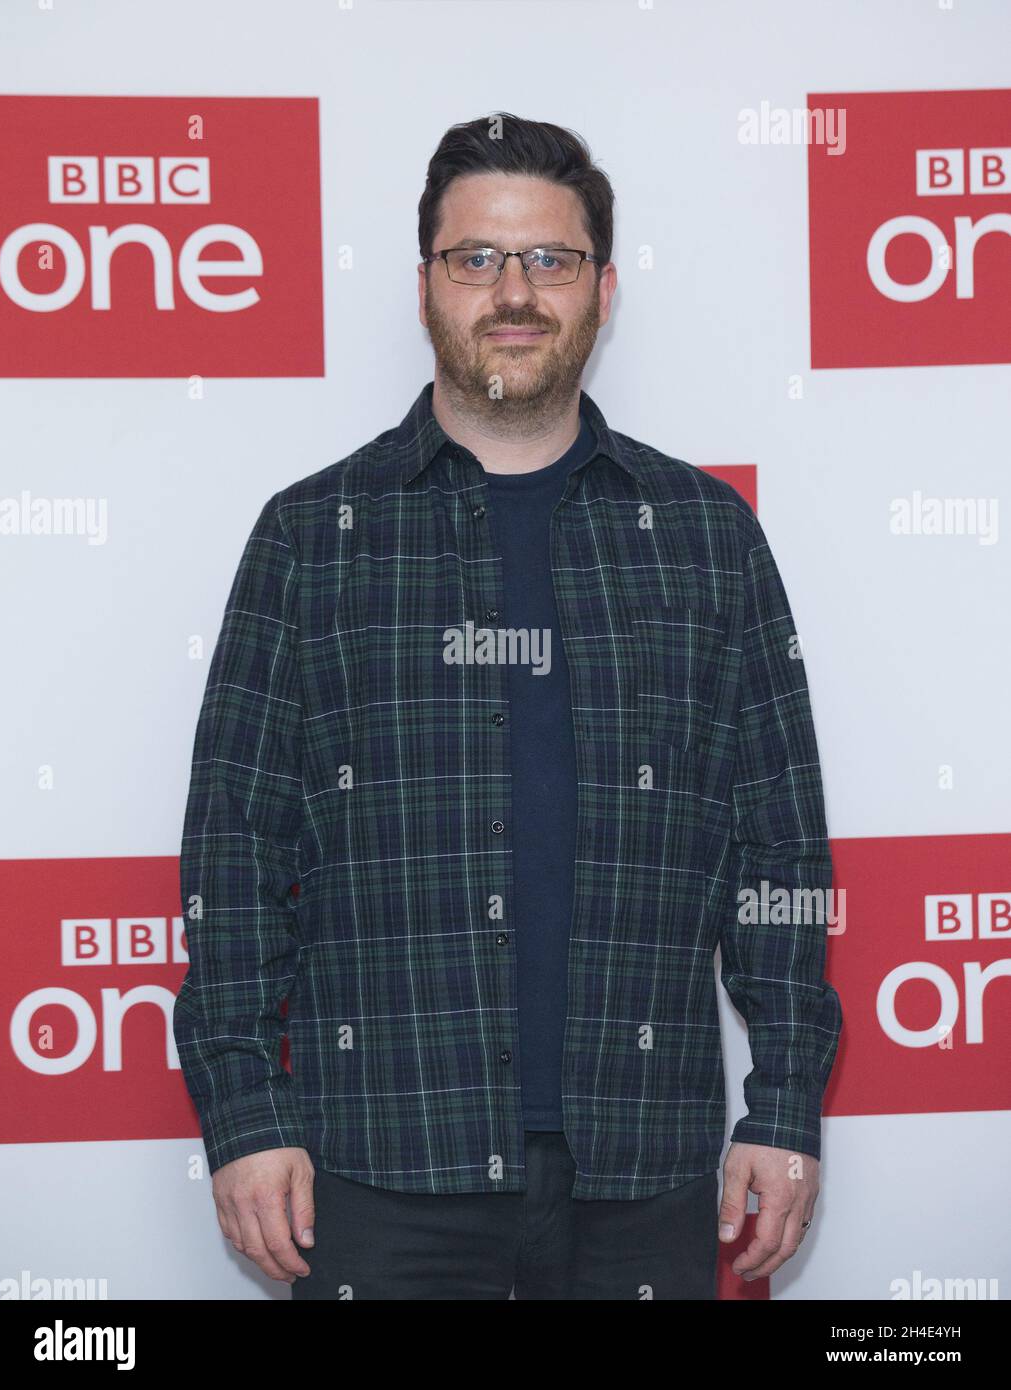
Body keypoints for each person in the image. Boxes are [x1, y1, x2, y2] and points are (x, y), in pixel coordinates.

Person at [173, 111, 842, 1301]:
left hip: (644, 1178)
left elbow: (779, 849)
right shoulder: (311, 540)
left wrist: (785, 1106)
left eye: (550, 259)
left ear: (604, 289)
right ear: (424, 283)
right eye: (475, 257)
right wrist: (241, 1109)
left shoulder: (702, 538)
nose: (514, 291)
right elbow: (234, 851)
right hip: (376, 1176)